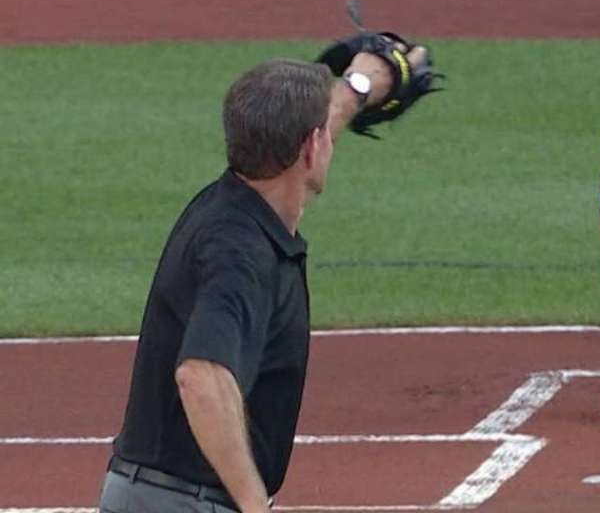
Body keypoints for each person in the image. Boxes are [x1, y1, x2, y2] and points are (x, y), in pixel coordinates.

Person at [98, 43, 428, 513]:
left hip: (160, 495)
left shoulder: (235, 203)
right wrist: (256, 505)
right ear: (312, 148)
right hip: (185, 504)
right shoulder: (240, 256)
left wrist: (359, 86)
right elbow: (201, 375)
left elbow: (308, 133)